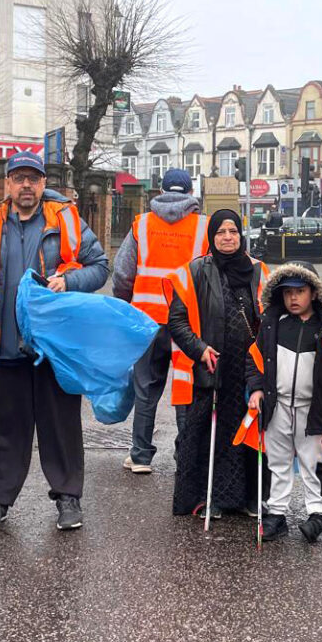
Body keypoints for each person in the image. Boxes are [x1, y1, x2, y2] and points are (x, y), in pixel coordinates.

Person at [0, 152, 108, 533]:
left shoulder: (67, 221)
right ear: (7, 184)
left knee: (61, 427)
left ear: (43, 184)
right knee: (1, 431)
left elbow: (99, 267)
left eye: (34, 178)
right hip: (2, 347)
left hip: (53, 350)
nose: (26, 185)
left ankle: (67, 497)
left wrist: (69, 281)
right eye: (19, 178)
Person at [245, 263, 322, 543]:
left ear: (314, 293)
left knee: (311, 461)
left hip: (312, 408)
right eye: (288, 293)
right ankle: (276, 514)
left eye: (300, 291)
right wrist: (257, 389)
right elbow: (254, 360)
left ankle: (316, 514)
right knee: (278, 461)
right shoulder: (273, 326)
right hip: (278, 405)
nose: (293, 298)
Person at [167, 209, 268, 519]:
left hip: (247, 369)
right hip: (211, 368)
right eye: (221, 232)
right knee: (208, 435)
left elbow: (269, 315)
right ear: (211, 237)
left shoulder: (257, 270)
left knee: (249, 431)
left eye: (233, 232)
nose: (227, 237)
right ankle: (208, 497)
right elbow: (177, 319)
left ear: (241, 235)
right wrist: (199, 350)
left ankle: (251, 497)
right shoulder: (195, 271)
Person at [111, 168, 210, 475]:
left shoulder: (142, 225)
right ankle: (186, 457)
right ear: (190, 192)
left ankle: (140, 456)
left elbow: (123, 273)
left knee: (145, 390)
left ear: (160, 190)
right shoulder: (204, 227)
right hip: (188, 324)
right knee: (185, 389)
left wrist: (127, 303)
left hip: (146, 321)